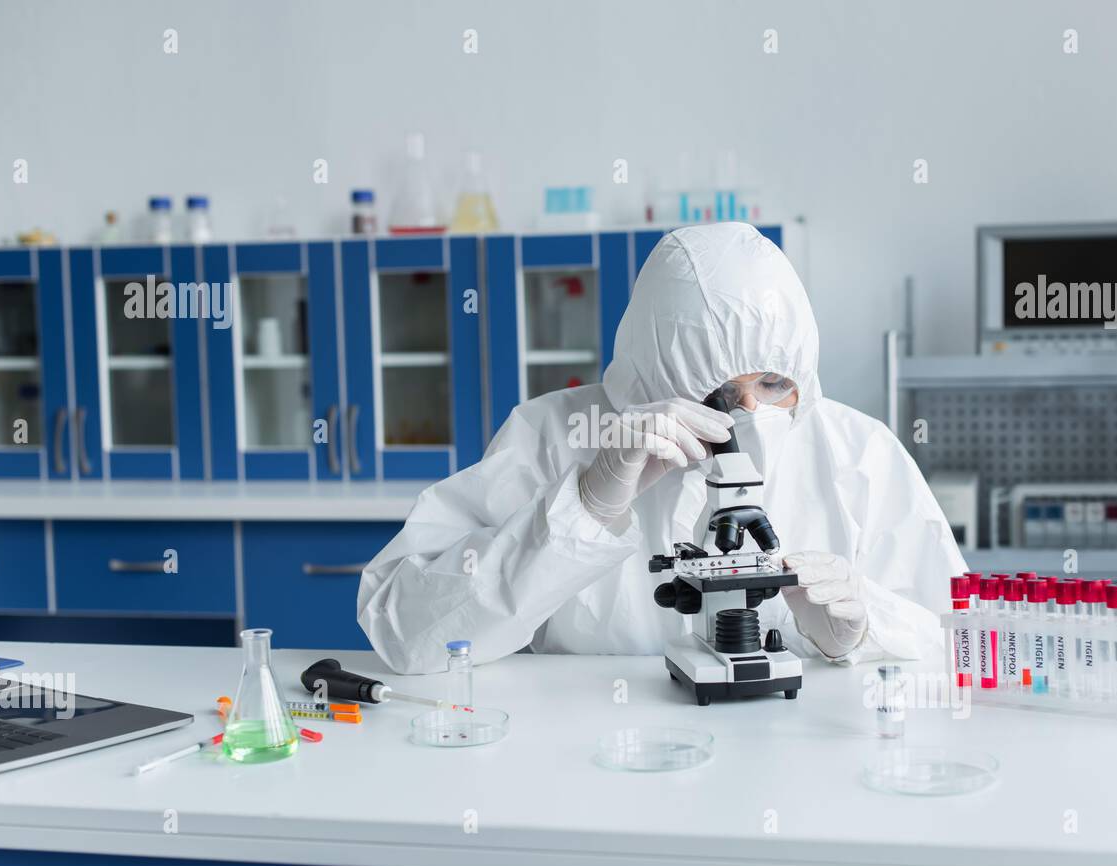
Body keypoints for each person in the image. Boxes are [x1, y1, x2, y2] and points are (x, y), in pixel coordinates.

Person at [358, 222, 965, 674]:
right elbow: (406, 634)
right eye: (718, 394)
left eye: (774, 383)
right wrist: (581, 509)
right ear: (654, 378)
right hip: (587, 761)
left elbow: (962, 649)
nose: (751, 416)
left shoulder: (858, 453)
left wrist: (864, 629)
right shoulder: (553, 435)